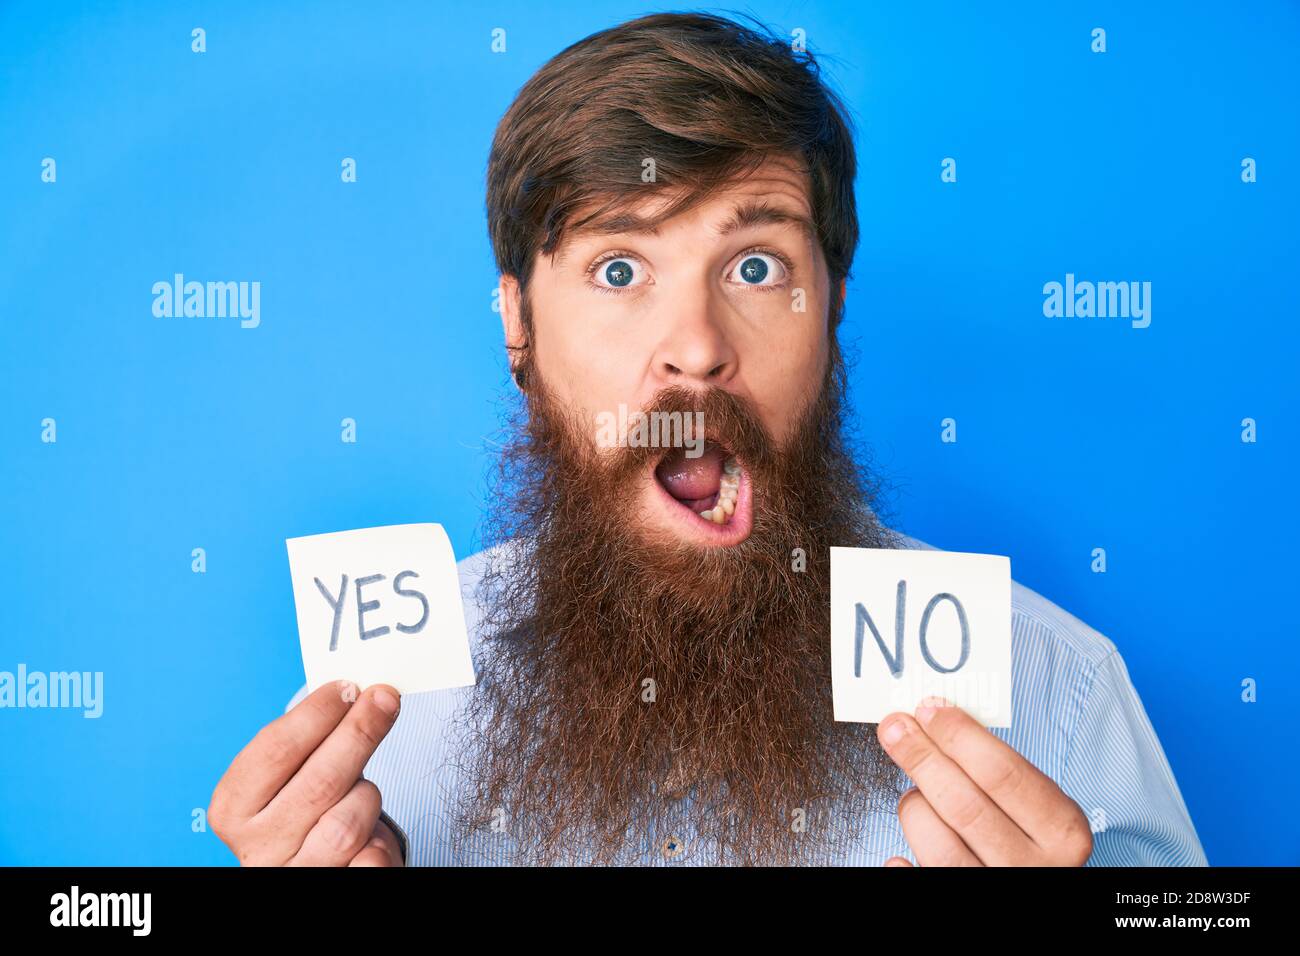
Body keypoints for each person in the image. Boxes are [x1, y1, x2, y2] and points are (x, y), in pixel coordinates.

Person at [209, 11, 1207, 867]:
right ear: (517, 324)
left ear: (833, 310)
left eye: (757, 266)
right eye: (617, 269)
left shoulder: (1059, 688)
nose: (695, 347)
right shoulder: (369, 734)